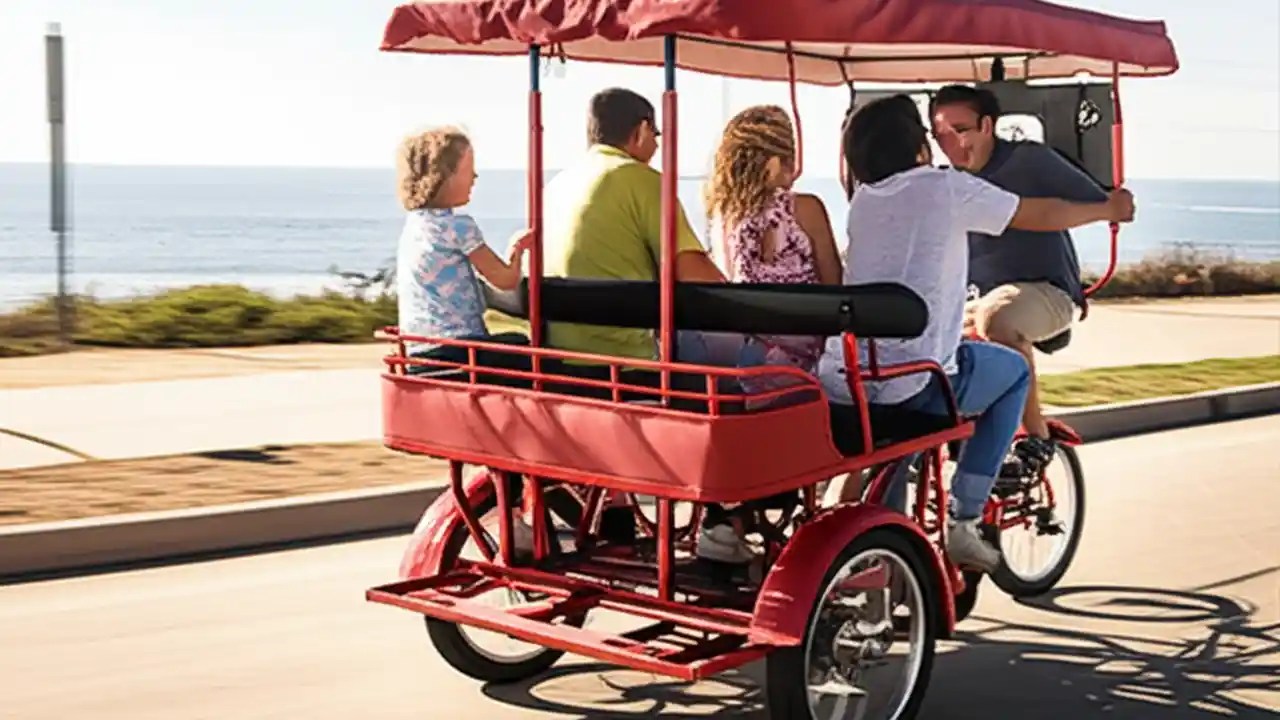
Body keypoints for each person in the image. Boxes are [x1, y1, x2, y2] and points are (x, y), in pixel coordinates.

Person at [818, 95, 1135, 572]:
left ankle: (885, 557)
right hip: (916, 383)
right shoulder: (944, 189)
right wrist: (1106, 207)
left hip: (846, 382)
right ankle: (964, 517)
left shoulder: (863, 200)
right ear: (916, 145)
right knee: (1009, 373)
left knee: (896, 441)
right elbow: (1037, 215)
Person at [930, 84, 1112, 463]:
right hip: (976, 300)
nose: (952, 144)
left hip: (1046, 294)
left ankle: (1036, 438)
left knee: (996, 318)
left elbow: (1096, 201)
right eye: (941, 136)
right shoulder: (945, 184)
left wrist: (1112, 207)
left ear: (987, 126)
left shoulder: (1028, 161)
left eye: (961, 130)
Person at [542, 87, 725, 363]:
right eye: (656, 134)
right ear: (641, 130)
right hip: (626, 364)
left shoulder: (556, 186)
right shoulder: (643, 180)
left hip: (558, 358)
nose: (657, 145)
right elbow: (695, 275)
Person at [394, 126, 532, 366]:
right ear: (444, 175)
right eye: (469, 170)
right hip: (458, 348)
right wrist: (517, 249)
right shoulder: (459, 226)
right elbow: (505, 280)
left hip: (419, 348)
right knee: (522, 344)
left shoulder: (414, 226)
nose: (475, 177)